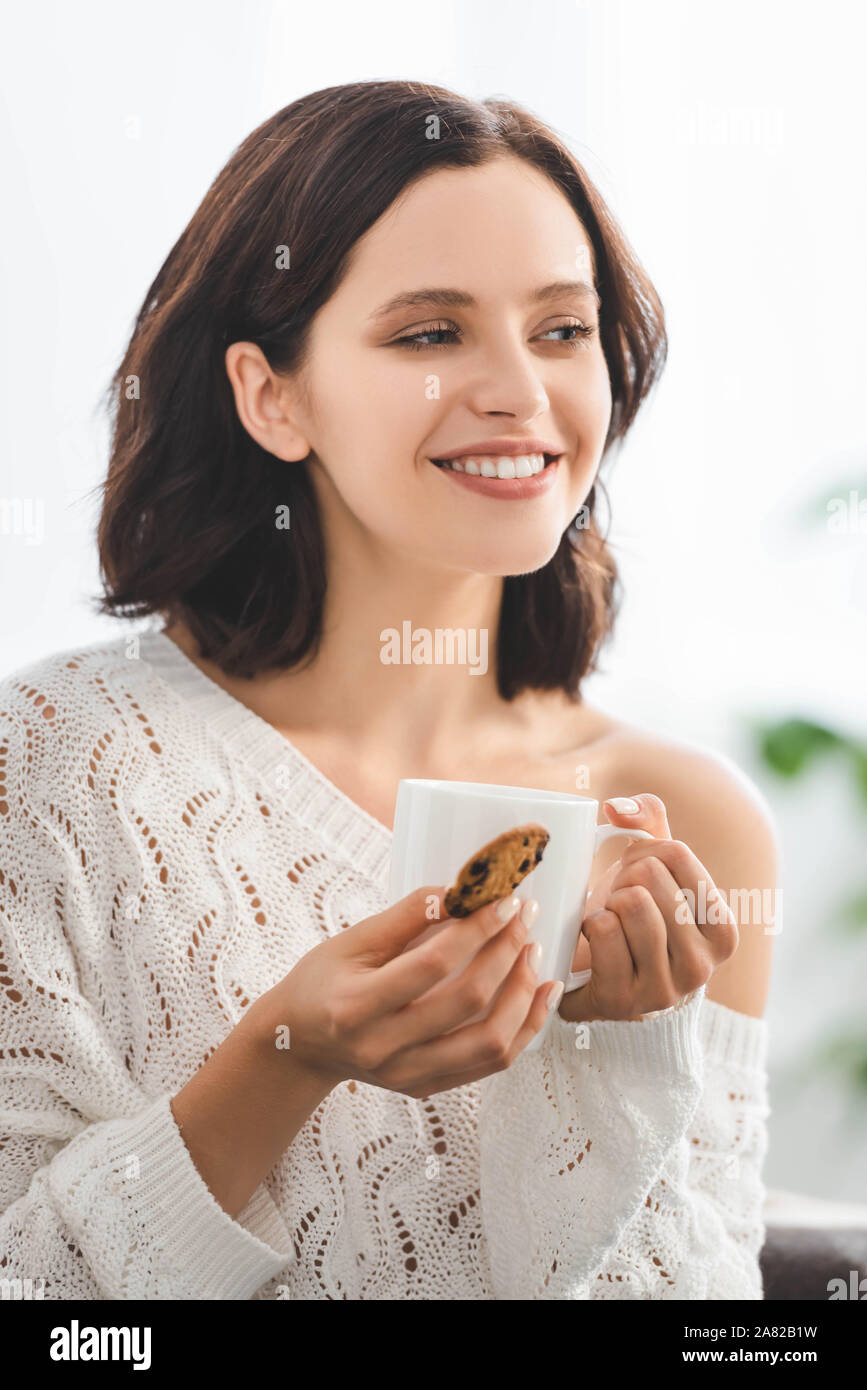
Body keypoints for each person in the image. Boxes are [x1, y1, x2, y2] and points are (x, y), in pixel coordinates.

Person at [0, 79, 775, 1300]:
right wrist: (286, 1053)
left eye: (562, 330)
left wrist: (625, 1058)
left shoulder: (688, 822)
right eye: (431, 333)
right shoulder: (55, 764)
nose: (522, 390)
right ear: (273, 394)